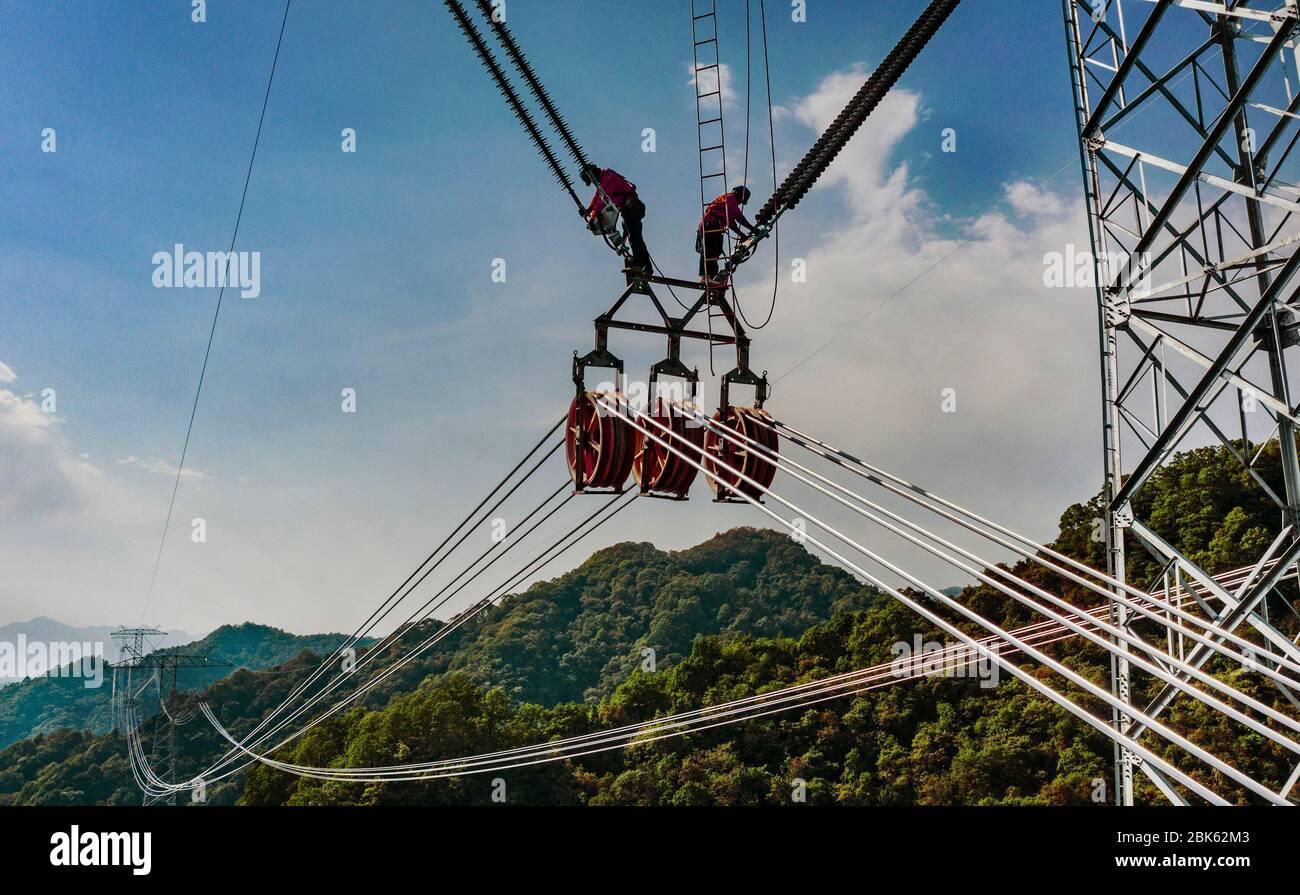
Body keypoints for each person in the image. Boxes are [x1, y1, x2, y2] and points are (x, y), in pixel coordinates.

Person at [584, 164, 651, 273]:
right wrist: (589, 209)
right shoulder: (604, 179)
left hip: (633, 207)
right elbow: (598, 196)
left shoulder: (608, 179)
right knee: (633, 236)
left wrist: (592, 217)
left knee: (635, 237)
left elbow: (603, 199)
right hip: (628, 210)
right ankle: (644, 266)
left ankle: (641, 264)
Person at [697, 185, 756, 284]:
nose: (740, 203)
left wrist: (742, 235)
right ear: (738, 194)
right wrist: (753, 229)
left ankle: (710, 277)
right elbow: (740, 218)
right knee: (709, 251)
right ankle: (704, 277)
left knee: (715, 252)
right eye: (741, 200)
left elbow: (732, 224)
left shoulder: (730, 203)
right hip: (710, 224)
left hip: (716, 227)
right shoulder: (730, 198)